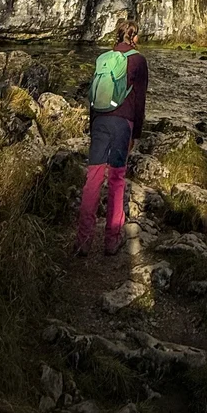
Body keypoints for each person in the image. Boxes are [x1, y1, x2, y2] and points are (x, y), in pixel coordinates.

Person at [75, 17, 149, 257]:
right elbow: (139, 101)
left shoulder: (104, 59)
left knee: (93, 179)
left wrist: (93, 124)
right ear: (134, 36)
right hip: (122, 124)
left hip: (100, 121)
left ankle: (83, 240)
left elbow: (94, 95)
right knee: (116, 179)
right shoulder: (138, 60)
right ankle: (111, 239)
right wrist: (135, 134)